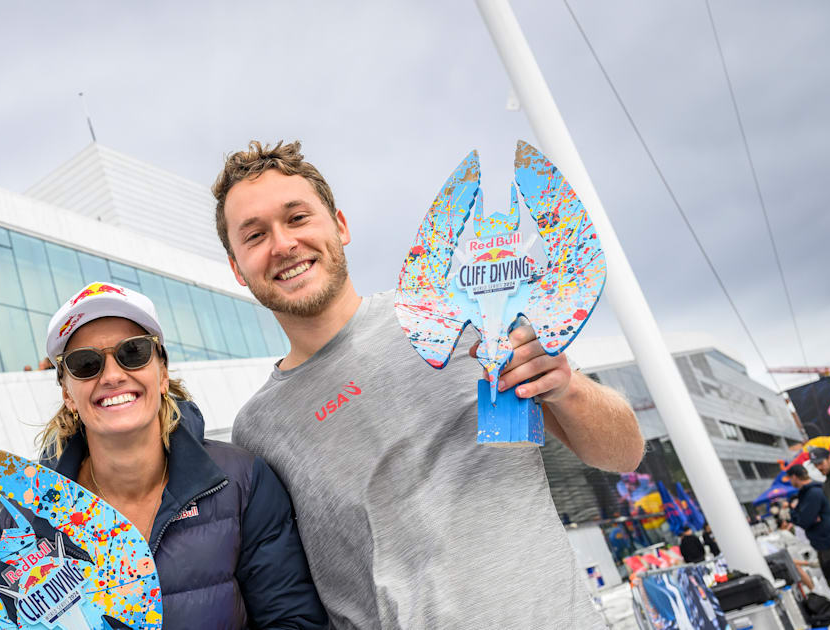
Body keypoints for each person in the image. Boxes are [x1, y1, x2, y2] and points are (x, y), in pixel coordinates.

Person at [212, 140, 644, 628]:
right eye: (254, 235)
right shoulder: (256, 431)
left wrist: (568, 389)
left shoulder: (461, 316)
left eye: (297, 218)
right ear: (237, 268)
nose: (283, 244)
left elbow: (624, 453)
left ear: (340, 225)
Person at [0, 282, 328, 628]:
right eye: (86, 363)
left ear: (162, 374)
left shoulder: (243, 483)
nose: (113, 375)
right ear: (68, 394)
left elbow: (294, 621)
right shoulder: (23, 516)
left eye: (133, 352)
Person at [786, 464, 830, 586]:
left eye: (790, 478)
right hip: (824, 544)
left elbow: (803, 521)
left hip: (827, 544)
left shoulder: (813, 493)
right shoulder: (811, 492)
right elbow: (807, 519)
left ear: (795, 477)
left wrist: (793, 510)